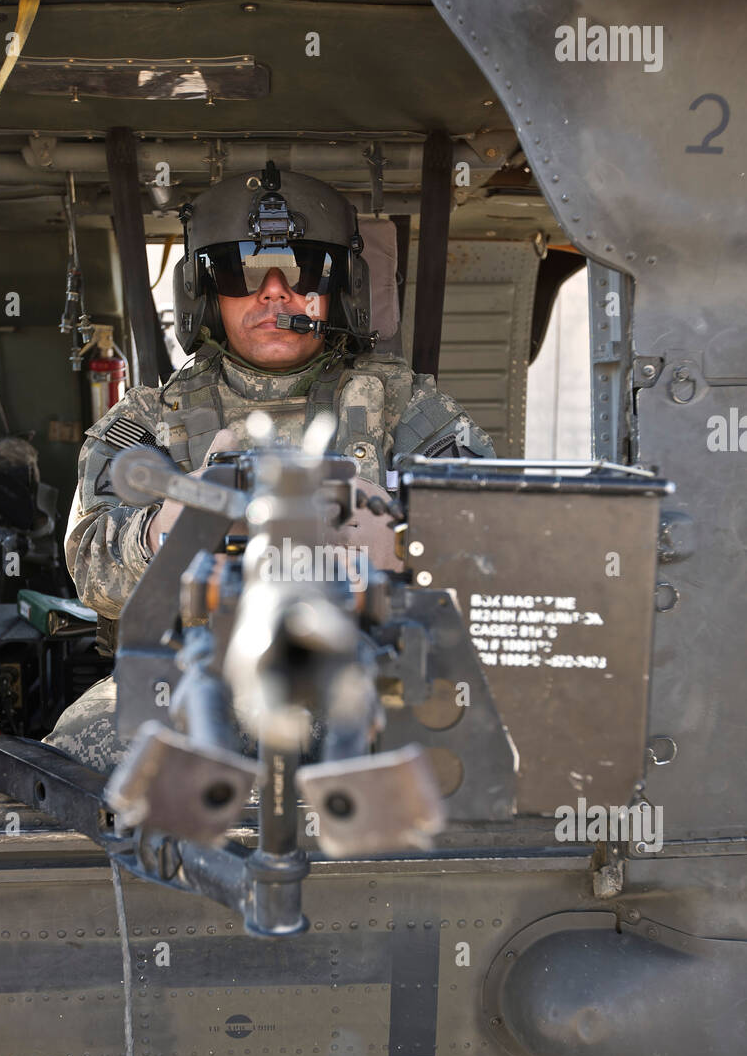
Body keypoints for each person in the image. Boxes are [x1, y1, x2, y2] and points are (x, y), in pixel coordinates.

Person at [45, 162, 495, 771]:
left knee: (480, 750)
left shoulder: (410, 410)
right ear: (207, 292)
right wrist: (160, 532)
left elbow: (498, 554)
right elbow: (92, 576)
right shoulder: (148, 423)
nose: (274, 292)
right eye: (243, 269)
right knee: (90, 753)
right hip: (198, 674)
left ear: (339, 286)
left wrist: (406, 548)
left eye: (305, 268)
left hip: (373, 671)